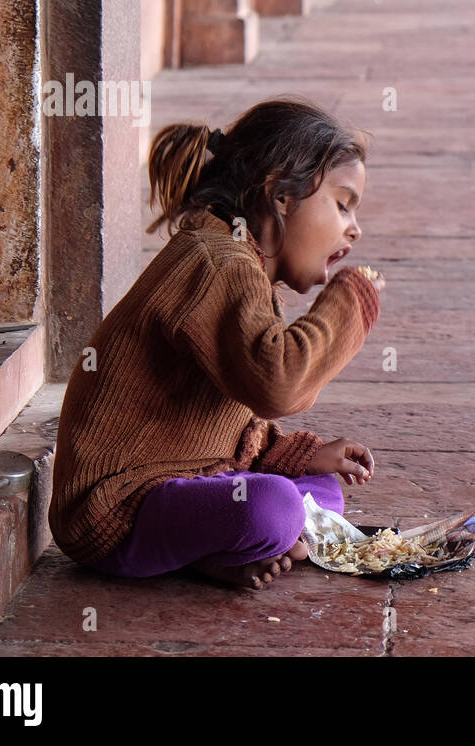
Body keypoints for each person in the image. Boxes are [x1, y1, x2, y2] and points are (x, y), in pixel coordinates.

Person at [48, 97, 384, 589]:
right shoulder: (216, 262)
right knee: (276, 508)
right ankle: (226, 547)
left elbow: (224, 420)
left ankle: (218, 551)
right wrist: (349, 304)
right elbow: (277, 386)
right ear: (280, 195)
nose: (354, 228)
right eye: (341, 204)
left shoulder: (242, 265)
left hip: (187, 482)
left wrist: (298, 455)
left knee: (323, 489)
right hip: (116, 509)